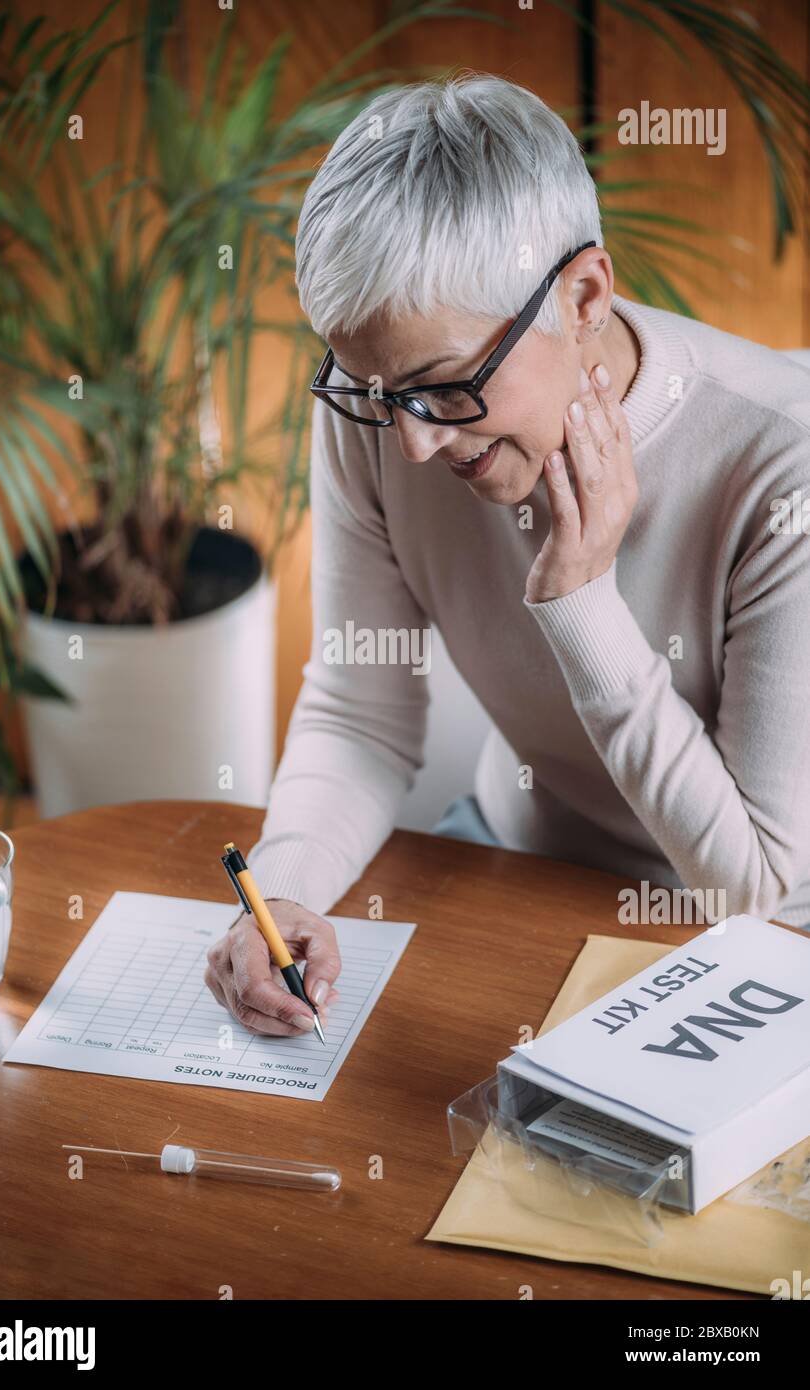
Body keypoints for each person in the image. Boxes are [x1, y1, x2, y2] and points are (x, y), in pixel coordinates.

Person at [205, 75, 810, 1037]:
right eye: (370, 390)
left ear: (584, 296)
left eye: (444, 387)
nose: (408, 446)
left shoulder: (782, 464)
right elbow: (363, 710)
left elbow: (754, 887)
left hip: (749, 931)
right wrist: (280, 894)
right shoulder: (383, 415)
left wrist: (582, 602)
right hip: (512, 861)